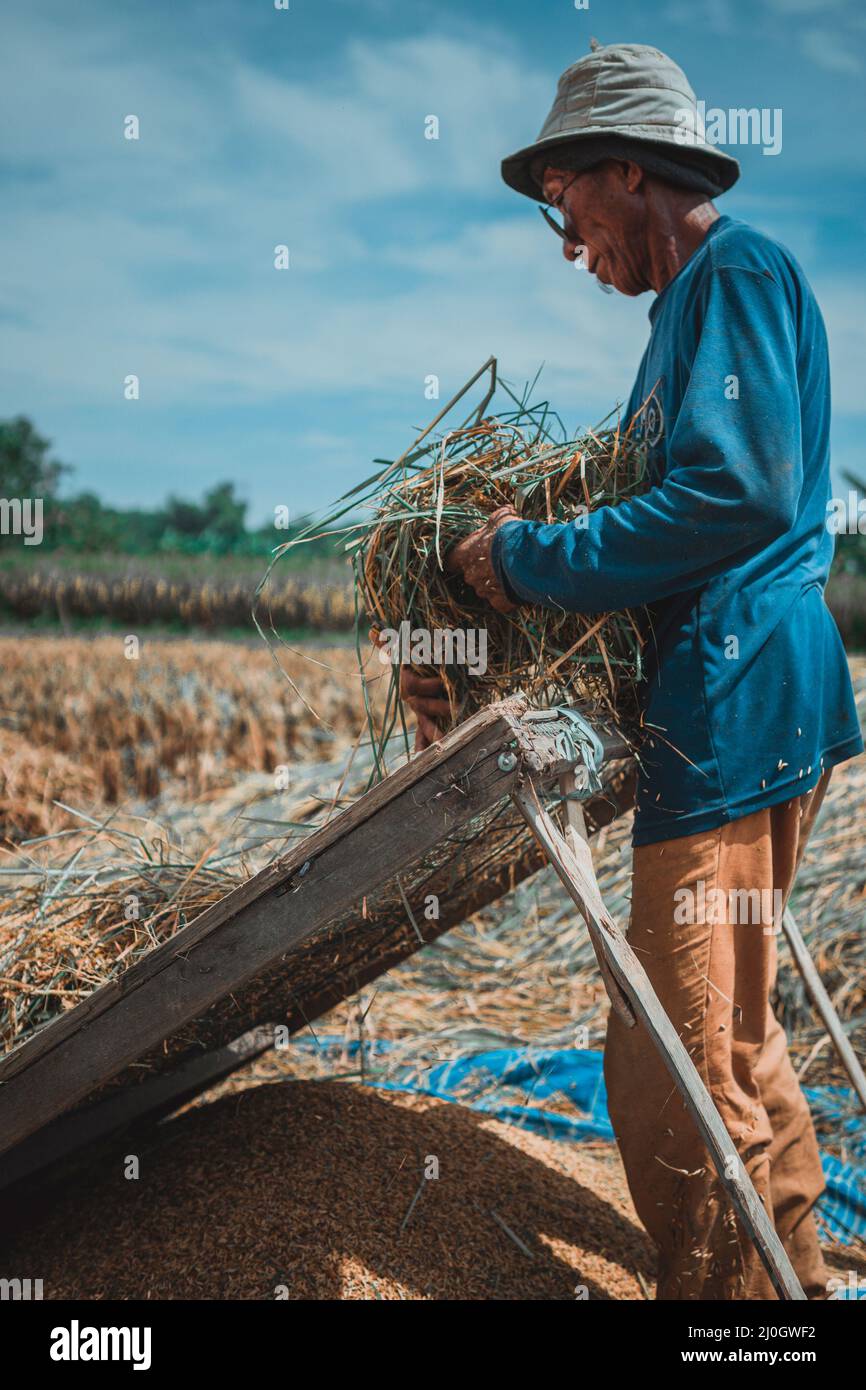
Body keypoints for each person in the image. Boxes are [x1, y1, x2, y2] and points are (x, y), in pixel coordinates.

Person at [397, 42, 863, 1299]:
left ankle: (724, 1310)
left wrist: (529, 559)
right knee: (734, 1035)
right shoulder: (691, 308)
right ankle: (796, 1291)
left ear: (623, 170)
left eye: (565, 200)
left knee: (675, 1064)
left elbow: (734, 490)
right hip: (736, 695)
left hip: (735, 695)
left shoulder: (736, 275)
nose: (562, 238)